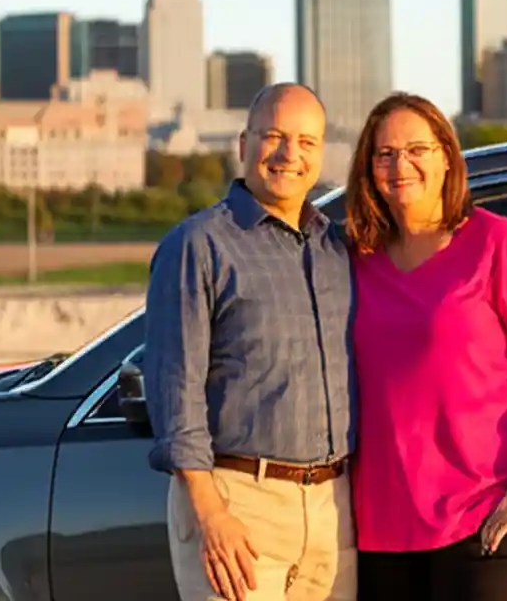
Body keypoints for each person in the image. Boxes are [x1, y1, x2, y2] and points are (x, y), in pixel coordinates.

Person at [343, 92, 507, 601]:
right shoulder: (353, 260)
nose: (400, 165)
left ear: (446, 157)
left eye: (417, 149)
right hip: (385, 534)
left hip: (492, 519)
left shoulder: (499, 245)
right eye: (385, 154)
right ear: (369, 169)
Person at [142, 83, 357, 601]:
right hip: (238, 502)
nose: (290, 154)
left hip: (333, 508)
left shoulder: (337, 249)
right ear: (244, 145)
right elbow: (175, 387)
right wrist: (211, 513)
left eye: (307, 142)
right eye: (274, 136)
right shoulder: (198, 245)